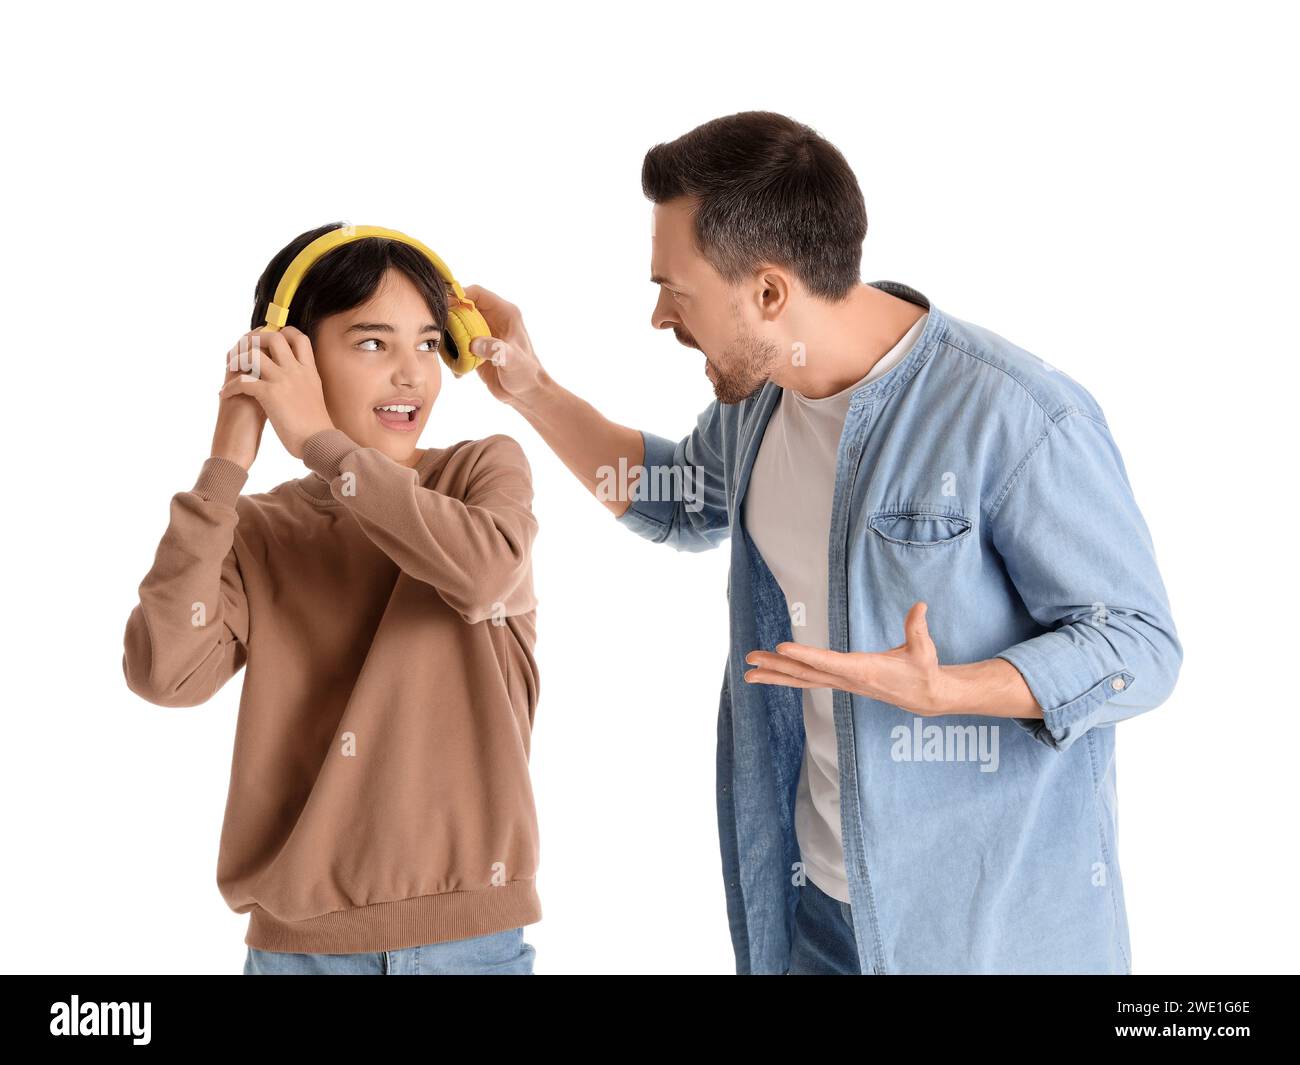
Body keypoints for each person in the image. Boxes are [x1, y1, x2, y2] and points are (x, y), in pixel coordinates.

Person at [463, 111, 1182, 974]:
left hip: (981, 937)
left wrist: (946, 691)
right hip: (816, 918)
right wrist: (530, 387)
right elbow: (677, 500)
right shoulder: (763, 402)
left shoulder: (1014, 415)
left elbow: (1139, 646)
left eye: (676, 290)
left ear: (769, 292)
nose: (660, 317)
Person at [122, 222, 541, 975]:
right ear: (292, 359)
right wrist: (226, 464)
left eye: (426, 343)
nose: (411, 375)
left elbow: (480, 576)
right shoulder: (256, 528)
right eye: (374, 344)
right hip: (300, 956)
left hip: (470, 944)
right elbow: (164, 673)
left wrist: (317, 438)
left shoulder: (482, 474)